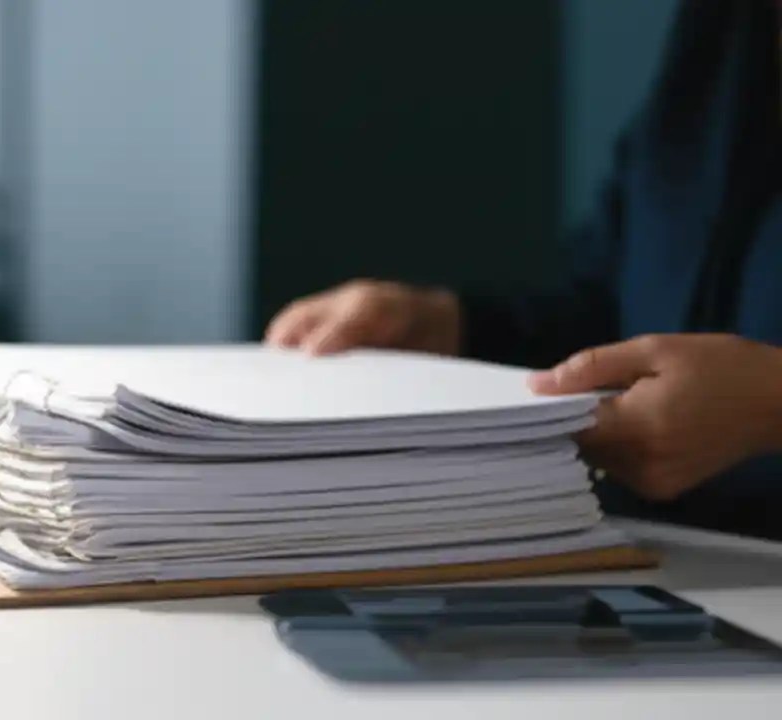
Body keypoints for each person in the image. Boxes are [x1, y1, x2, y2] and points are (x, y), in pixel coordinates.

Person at [264, 0, 782, 540]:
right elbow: (611, 310)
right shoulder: (722, 35)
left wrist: (773, 403)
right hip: (666, 567)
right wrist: (448, 325)